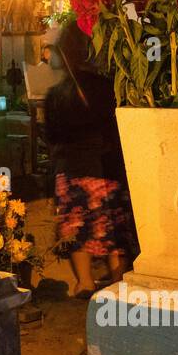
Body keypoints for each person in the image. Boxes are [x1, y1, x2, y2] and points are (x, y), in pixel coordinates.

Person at [46, 21, 136, 297]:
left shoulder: (55, 95)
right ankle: (118, 279)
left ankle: (85, 282)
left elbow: (51, 136)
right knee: (113, 227)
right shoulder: (110, 88)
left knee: (78, 227)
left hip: (72, 169)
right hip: (105, 166)